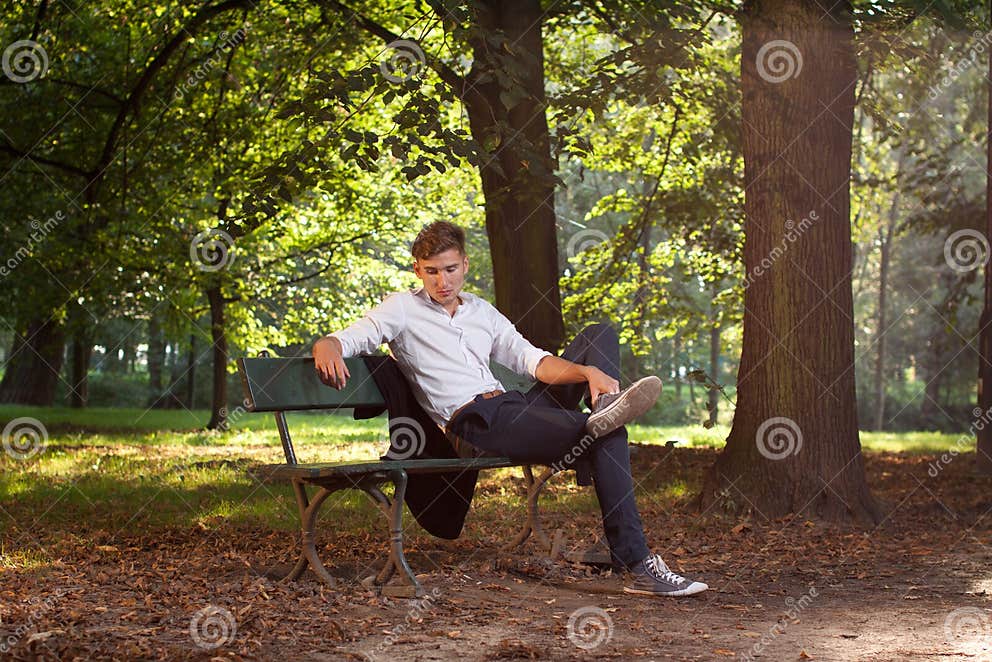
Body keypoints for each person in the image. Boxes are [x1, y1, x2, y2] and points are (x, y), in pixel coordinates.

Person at [312, 221, 708, 597]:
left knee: (598, 336)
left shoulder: (481, 312)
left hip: (515, 406)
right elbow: (356, 336)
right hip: (477, 422)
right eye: (431, 271)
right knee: (608, 431)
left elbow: (532, 361)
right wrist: (328, 344)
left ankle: (602, 405)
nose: (442, 281)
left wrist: (588, 371)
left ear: (465, 264)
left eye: (450, 269)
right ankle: (638, 565)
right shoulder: (401, 308)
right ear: (417, 269)